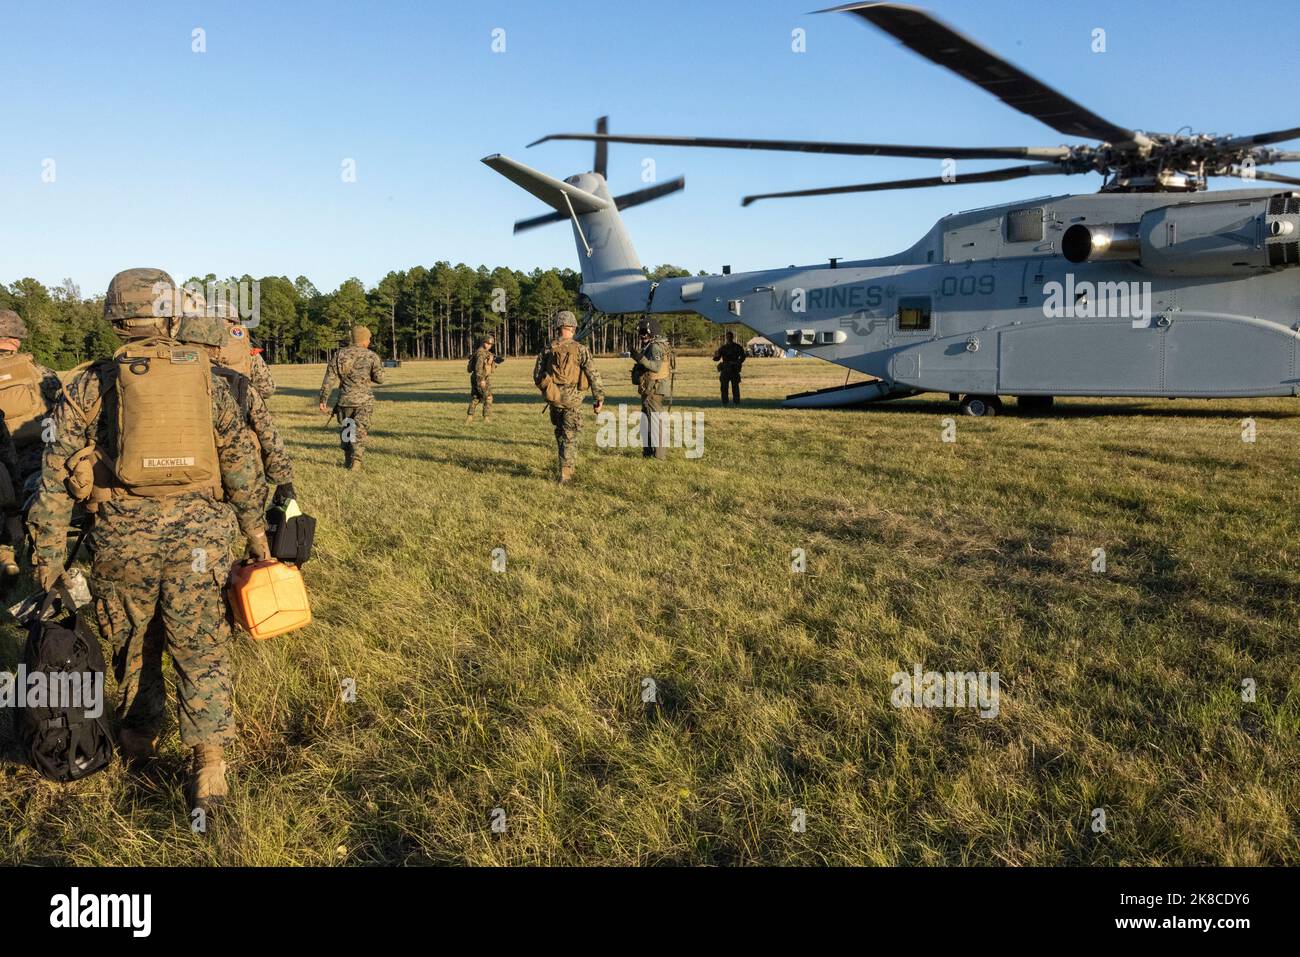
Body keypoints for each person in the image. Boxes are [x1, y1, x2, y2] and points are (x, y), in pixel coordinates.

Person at [27, 267, 269, 813]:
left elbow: (53, 476)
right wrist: (256, 534)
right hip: (201, 540)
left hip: (120, 541)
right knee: (202, 646)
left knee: (135, 643)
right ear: (169, 314)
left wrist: (47, 563)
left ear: (115, 318)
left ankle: (138, 744)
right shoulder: (207, 375)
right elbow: (239, 462)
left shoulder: (92, 382)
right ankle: (209, 766)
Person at [0, 308, 62, 578]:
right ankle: (42, 563)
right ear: (16, 338)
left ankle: (6, 556)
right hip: (36, 458)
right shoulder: (38, 371)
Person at [533, 310, 604, 483]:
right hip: (573, 400)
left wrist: (549, 390)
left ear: (558, 327)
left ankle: (565, 466)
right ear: (572, 327)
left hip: (554, 400)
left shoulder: (548, 349)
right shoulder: (581, 349)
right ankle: (566, 474)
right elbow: (593, 374)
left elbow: (537, 376)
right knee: (569, 436)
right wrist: (599, 398)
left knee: (560, 434)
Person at [317, 325, 385, 470]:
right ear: (363, 339)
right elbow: (380, 379)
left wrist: (323, 400)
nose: (369, 342)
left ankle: (348, 459)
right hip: (364, 401)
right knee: (360, 430)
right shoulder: (371, 356)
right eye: (368, 339)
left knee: (347, 429)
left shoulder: (339, 355)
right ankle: (357, 461)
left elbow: (329, 379)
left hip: (345, 400)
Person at [630, 316, 673, 459]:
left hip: (653, 390)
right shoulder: (656, 345)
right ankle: (648, 453)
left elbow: (655, 367)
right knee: (647, 421)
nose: (641, 336)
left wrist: (639, 358)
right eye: (640, 332)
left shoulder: (655, 346)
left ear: (652, 332)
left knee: (655, 422)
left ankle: (659, 456)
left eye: (644, 332)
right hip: (652, 389)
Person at [467, 333, 498, 423]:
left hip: (475, 377)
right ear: (483, 342)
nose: (489, 345)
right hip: (481, 378)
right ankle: (486, 418)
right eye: (487, 343)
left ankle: (469, 417)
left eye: (491, 344)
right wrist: (482, 380)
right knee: (488, 397)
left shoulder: (481, 352)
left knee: (476, 397)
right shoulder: (481, 354)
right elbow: (478, 368)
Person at [713, 330, 746, 404]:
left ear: (732, 337)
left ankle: (736, 402)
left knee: (735, 387)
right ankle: (725, 402)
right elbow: (717, 359)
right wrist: (716, 355)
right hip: (725, 368)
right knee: (724, 387)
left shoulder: (737, 347)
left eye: (729, 336)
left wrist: (738, 362)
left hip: (734, 368)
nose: (728, 338)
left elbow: (743, 356)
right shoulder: (723, 348)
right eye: (727, 336)